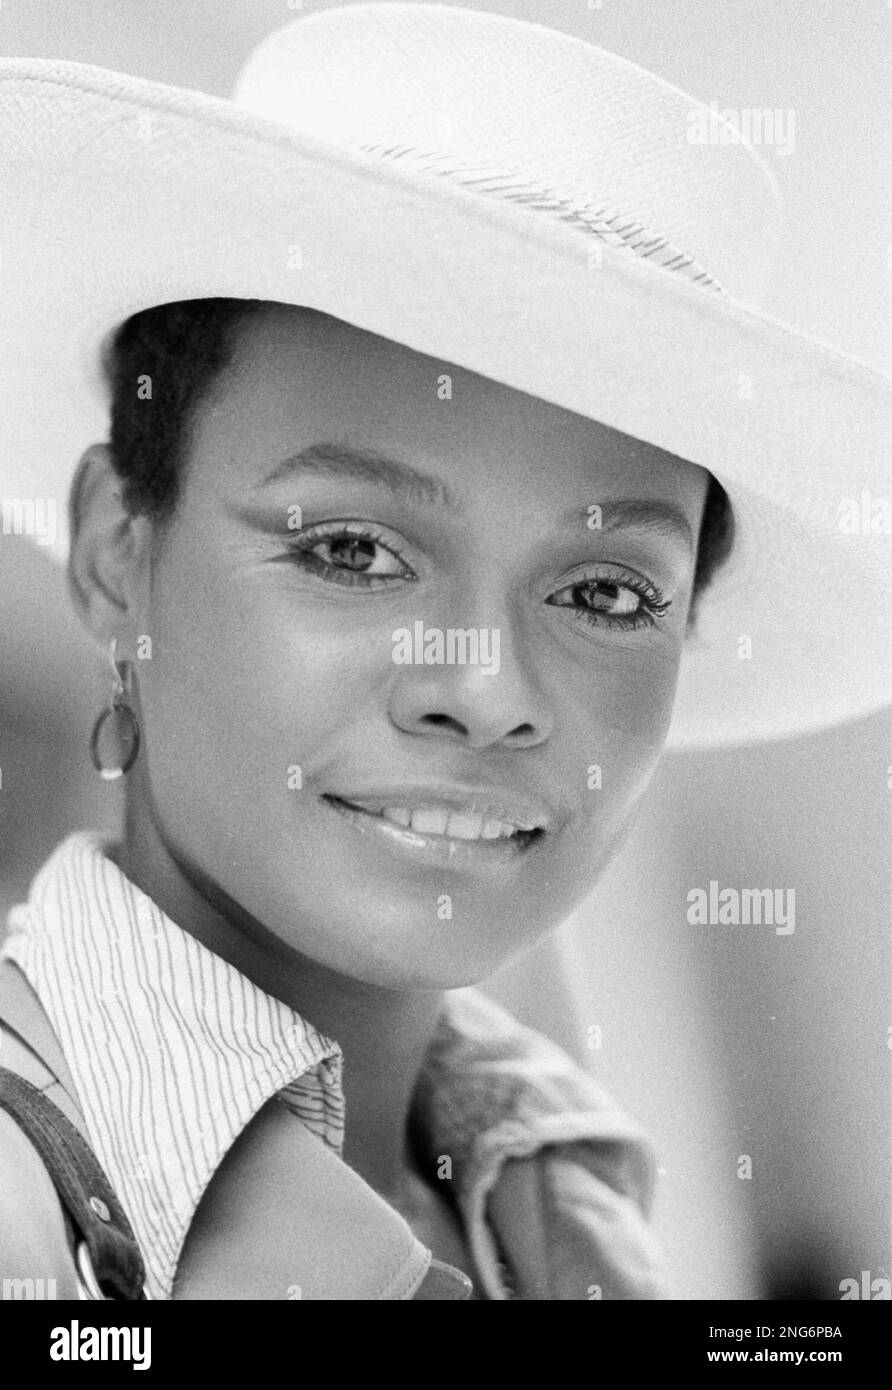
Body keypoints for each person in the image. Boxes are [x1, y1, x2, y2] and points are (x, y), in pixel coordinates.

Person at [0, 3, 888, 1301]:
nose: (489, 691)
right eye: (352, 550)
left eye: (604, 589)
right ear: (114, 549)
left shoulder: (565, 1196)